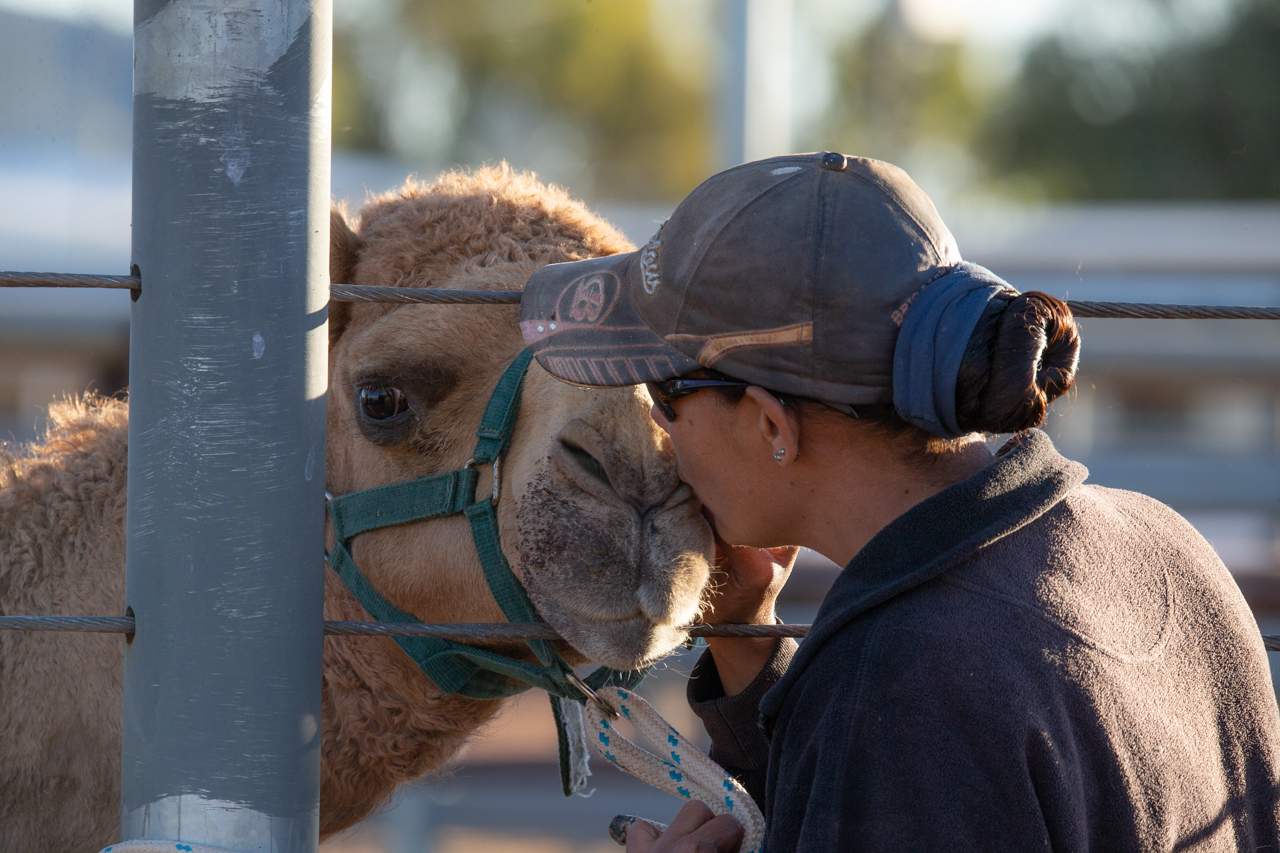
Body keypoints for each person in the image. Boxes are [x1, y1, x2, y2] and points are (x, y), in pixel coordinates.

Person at [518, 152, 1280, 851]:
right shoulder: (1162, 543)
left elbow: (910, 756)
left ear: (771, 424)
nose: (657, 426)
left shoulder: (901, 686)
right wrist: (747, 643)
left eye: (665, 390)